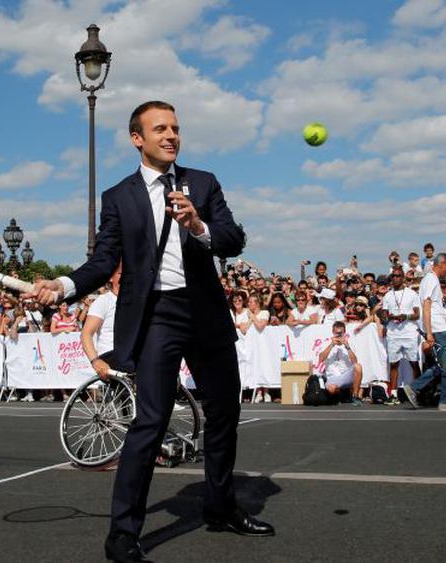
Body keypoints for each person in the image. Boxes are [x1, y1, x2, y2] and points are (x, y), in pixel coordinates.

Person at [27, 100, 271, 562]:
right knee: (150, 420)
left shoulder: (203, 182)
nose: (171, 135)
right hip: (157, 314)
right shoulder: (119, 197)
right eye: (160, 128)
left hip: (205, 311)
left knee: (224, 413)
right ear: (137, 138)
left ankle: (220, 507)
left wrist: (198, 224)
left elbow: (233, 239)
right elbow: (104, 260)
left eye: (176, 128)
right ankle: (122, 535)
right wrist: (62, 285)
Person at [402, 253, 446, 411]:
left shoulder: (432, 280)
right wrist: (429, 332)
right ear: (441, 264)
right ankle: (445, 401)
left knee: (444, 365)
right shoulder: (431, 279)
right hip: (437, 329)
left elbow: (436, 308)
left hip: (438, 325)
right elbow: (427, 306)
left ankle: (415, 387)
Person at [380, 267, 420, 404]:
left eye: (398, 276)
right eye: (394, 276)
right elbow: (383, 315)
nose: (396, 278)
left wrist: (405, 316)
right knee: (394, 363)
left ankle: (417, 391)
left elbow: (417, 314)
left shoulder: (412, 294)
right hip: (393, 332)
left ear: (403, 278)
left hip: (409, 332)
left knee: (414, 362)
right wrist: (389, 317)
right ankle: (393, 394)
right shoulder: (387, 296)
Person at [317, 321, 364, 405]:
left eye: (340, 333)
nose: (338, 335)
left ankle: (355, 396)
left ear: (344, 332)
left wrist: (348, 347)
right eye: (336, 333)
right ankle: (342, 394)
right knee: (331, 389)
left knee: (358, 366)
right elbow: (321, 358)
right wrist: (331, 345)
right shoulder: (327, 343)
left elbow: (355, 361)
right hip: (333, 377)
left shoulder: (349, 343)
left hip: (346, 375)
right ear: (333, 332)